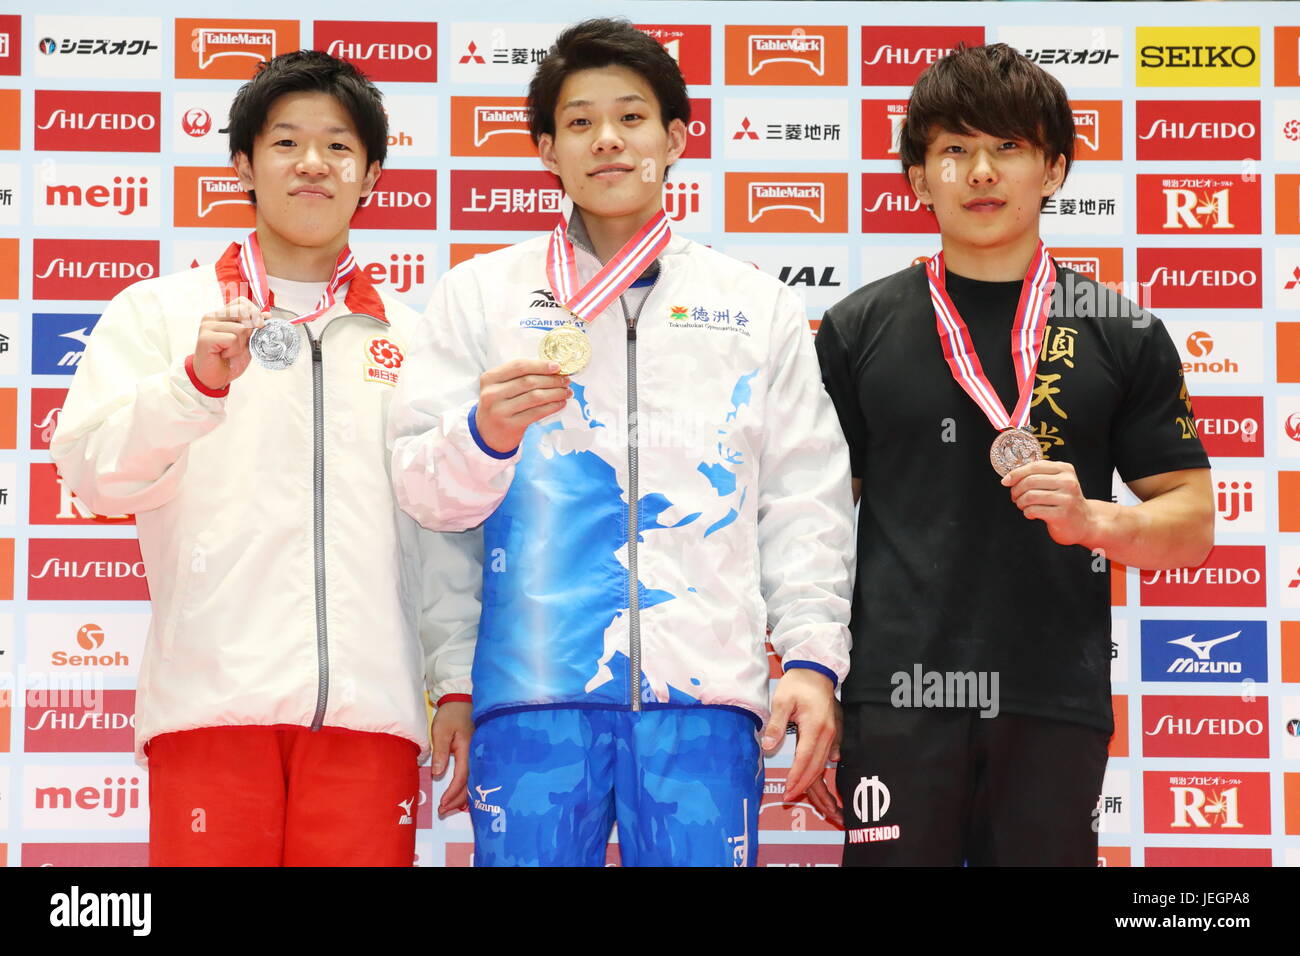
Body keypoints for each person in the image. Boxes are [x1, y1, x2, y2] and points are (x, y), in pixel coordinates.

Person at [389, 17, 854, 867]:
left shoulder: (754, 305)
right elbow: (426, 497)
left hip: (704, 698)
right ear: (545, 149)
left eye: (632, 117)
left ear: (676, 139)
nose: (607, 140)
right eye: (579, 122)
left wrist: (815, 660)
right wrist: (484, 437)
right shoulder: (479, 297)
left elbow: (805, 497)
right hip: (530, 696)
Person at [50, 50, 472, 866]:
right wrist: (194, 387)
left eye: (339, 146)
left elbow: (444, 530)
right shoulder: (163, 313)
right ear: (242, 163)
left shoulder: (415, 339)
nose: (312, 163)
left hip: (370, 718)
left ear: (372, 174)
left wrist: (453, 680)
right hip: (212, 709)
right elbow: (94, 475)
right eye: (285, 142)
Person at [812, 43, 1213, 866]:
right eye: (954, 150)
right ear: (919, 179)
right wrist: (814, 675)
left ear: (1054, 169)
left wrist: (1094, 519)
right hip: (897, 698)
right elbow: (809, 526)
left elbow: (1193, 523)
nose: (981, 171)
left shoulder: (1121, 330)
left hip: (1052, 697)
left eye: (1008, 147)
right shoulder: (856, 329)